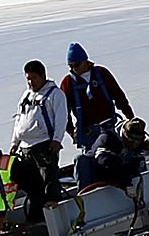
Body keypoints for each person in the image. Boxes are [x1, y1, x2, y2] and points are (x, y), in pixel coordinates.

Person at [61, 44, 139, 187]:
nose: (73, 69)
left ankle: (125, 183)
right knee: (90, 164)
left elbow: (118, 95)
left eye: (76, 65)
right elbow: (63, 112)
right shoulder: (68, 83)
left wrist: (130, 118)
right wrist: (71, 131)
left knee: (116, 159)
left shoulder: (101, 73)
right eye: (70, 66)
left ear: (85, 61)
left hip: (110, 128)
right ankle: (91, 191)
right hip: (88, 134)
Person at [10, 61, 71, 205]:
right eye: (28, 79)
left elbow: (62, 118)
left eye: (34, 78)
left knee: (49, 182)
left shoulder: (55, 94)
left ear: (43, 76)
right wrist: (15, 143)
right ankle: (37, 216)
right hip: (25, 148)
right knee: (32, 185)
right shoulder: (26, 96)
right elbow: (18, 119)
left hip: (44, 146)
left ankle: (54, 213)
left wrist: (57, 140)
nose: (31, 82)